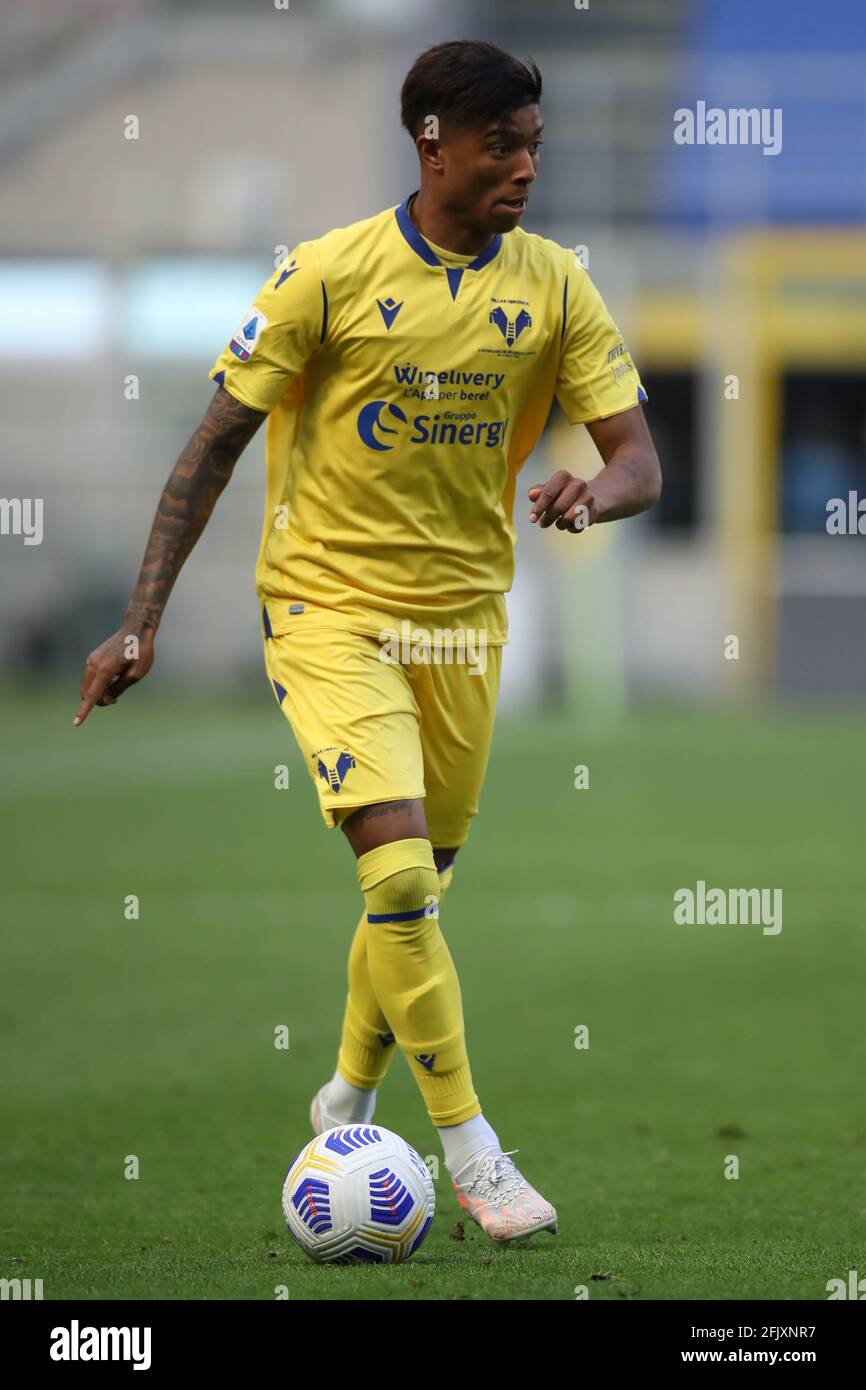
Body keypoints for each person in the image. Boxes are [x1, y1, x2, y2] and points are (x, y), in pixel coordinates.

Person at [75, 39, 661, 1246]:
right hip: (325, 609)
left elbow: (637, 457)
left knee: (418, 892)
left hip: (460, 629)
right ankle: (474, 1154)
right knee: (394, 874)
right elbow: (212, 445)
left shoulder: (554, 285)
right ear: (431, 140)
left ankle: (345, 1090)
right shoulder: (325, 275)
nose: (524, 169)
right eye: (502, 145)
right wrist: (143, 618)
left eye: (534, 146)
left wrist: (592, 495)